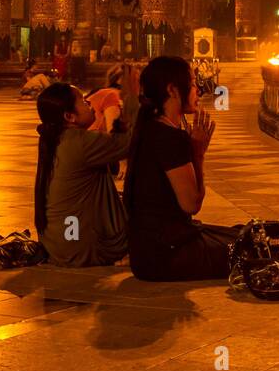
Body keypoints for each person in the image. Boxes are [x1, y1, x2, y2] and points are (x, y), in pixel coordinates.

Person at [125, 56, 242, 281]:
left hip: (147, 253)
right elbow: (191, 204)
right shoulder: (169, 138)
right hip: (168, 256)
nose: (197, 89)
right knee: (257, 248)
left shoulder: (150, 127)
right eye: (191, 82)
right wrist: (198, 154)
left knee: (239, 232)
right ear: (173, 89)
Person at [34, 68, 140, 267]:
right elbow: (129, 142)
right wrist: (133, 98)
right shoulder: (80, 142)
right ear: (69, 117)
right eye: (83, 101)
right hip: (77, 247)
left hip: (60, 243)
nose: (89, 103)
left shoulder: (56, 139)